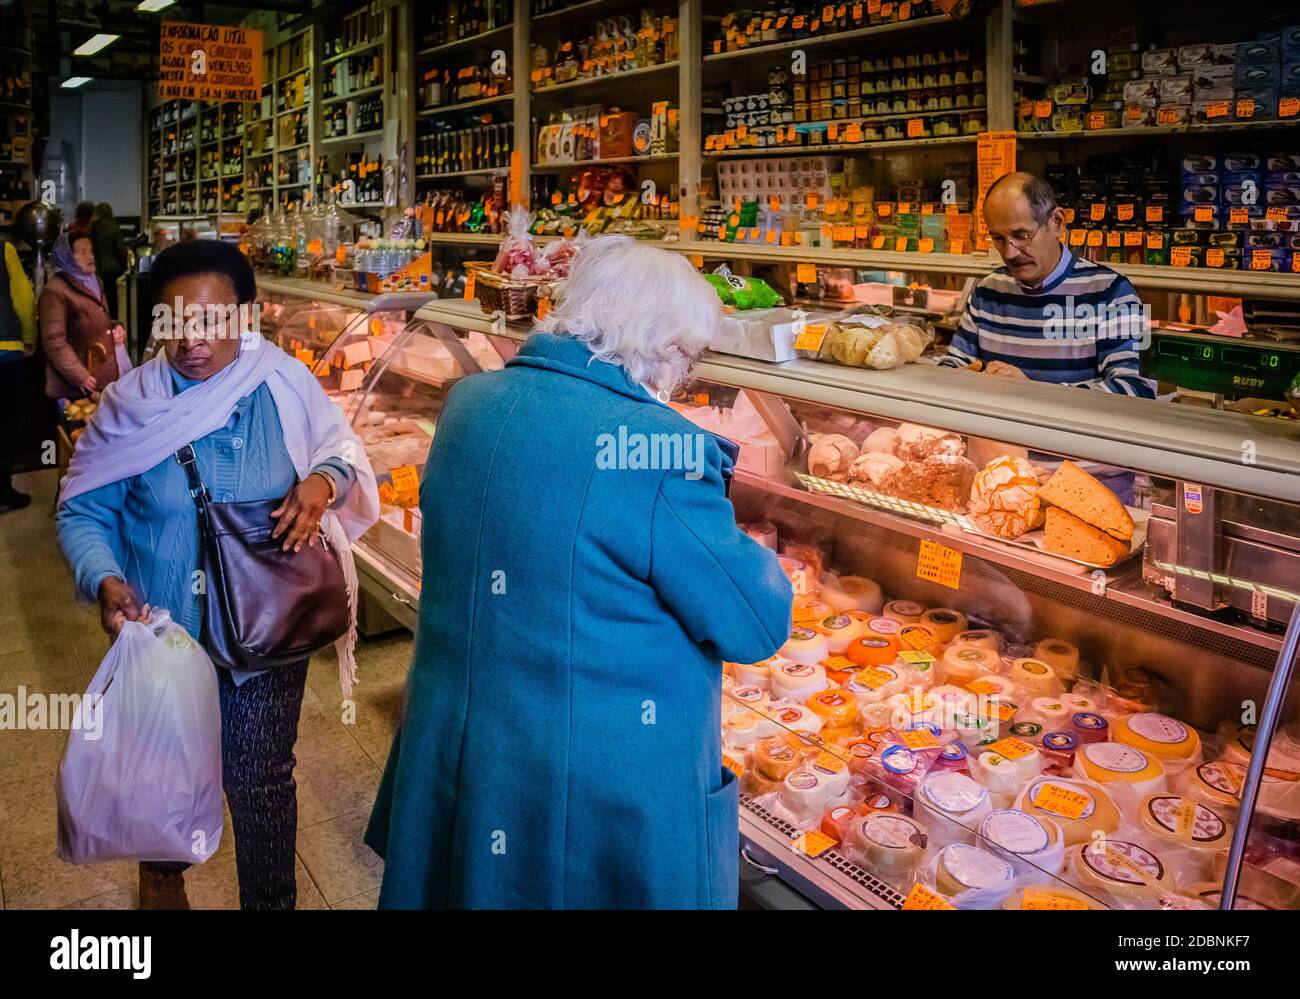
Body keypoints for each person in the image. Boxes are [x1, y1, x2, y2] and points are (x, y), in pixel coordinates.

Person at [365, 235, 793, 909]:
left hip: (465, 745)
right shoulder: (658, 449)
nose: (687, 374)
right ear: (658, 344)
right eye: (689, 353)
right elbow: (758, 621)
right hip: (589, 792)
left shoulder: (469, 402)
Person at [56, 239, 379, 909]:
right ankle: (163, 893)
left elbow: (340, 447)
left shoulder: (283, 384)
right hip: (164, 639)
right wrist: (105, 577)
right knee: (159, 788)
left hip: (263, 638)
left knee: (260, 785)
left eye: (212, 320)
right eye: (175, 321)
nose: (192, 339)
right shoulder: (129, 406)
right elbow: (84, 508)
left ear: (246, 316)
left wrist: (323, 480)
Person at [938, 171, 1155, 398]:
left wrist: (1031, 391)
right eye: (999, 239)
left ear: (1057, 223)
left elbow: (1137, 390)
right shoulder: (988, 290)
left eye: (1021, 235)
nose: (1010, 253)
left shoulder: (1113, 293)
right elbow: (951, 366)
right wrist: (959, 378)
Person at [39, 230, 124, 399]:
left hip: (104, 374)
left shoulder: (95, 282)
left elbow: (98, 317)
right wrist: (78, 375)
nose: (90, 256)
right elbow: (54, 340)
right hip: (77, 384)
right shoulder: (55, 291)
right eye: (82, 252)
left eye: (91, 251)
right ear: (67, 257)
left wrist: (116, 327)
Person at [0, 235, 37, 512]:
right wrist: (28, 337)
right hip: (5, 350)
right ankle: (3, 488)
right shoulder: (4, 249)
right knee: (7, 422)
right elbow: (23, 298)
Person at [90, 202, 128, 320]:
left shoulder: (91, 229)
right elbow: (121, 251)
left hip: (96, 270)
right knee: (113, 301)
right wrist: (124, 268)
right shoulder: (114, 229)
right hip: (113, 270)